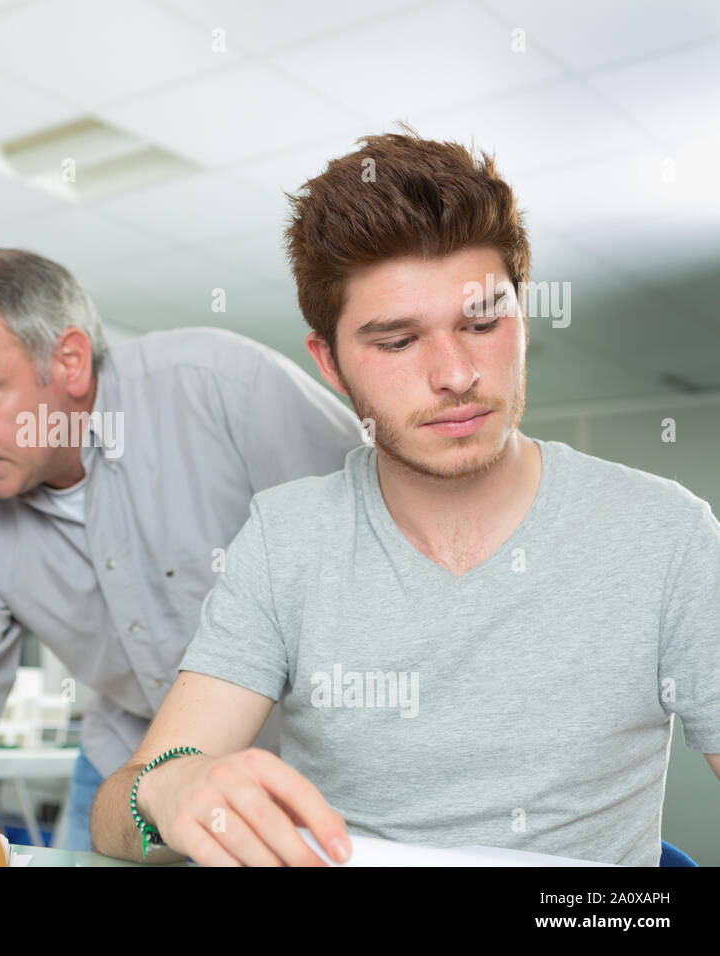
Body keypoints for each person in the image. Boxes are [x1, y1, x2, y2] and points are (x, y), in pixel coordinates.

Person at [89, 131, 720, 866]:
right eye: (396, 342)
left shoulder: (666, 533)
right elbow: (117, 807)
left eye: (483, 324)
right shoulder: (286, 538)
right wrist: (164, 791)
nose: (455, 373)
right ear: (330, 363)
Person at [0, 249, 363, 849]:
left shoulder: (220, 384)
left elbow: (378, 533)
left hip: (308, 764)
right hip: (124, 769)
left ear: (70, 362)